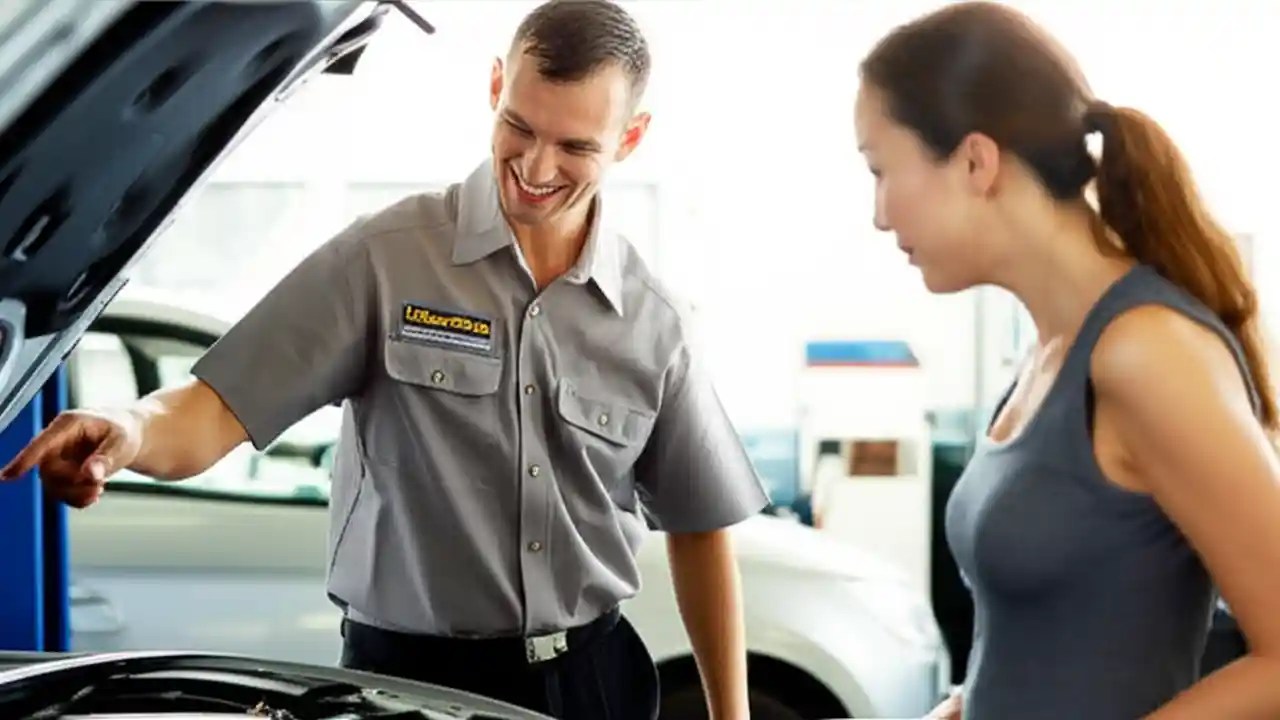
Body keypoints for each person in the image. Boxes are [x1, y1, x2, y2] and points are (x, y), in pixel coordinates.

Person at [0, 1, 768, 718]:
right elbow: (216, 409)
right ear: (497, 87)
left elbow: (700, 528)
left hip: (591, 681)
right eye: (519, 127)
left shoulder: (653, 321)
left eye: (575, 146)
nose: (536, 167)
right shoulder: (386, 260)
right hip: (402, 684)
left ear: (629, 139)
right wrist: (129, 429)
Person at [852, 3, 1280, 719]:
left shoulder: (1148, 352)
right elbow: (1046, 645)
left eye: (880, 170)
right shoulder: (1045, 355)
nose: (880, 214)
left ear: (975, 161)